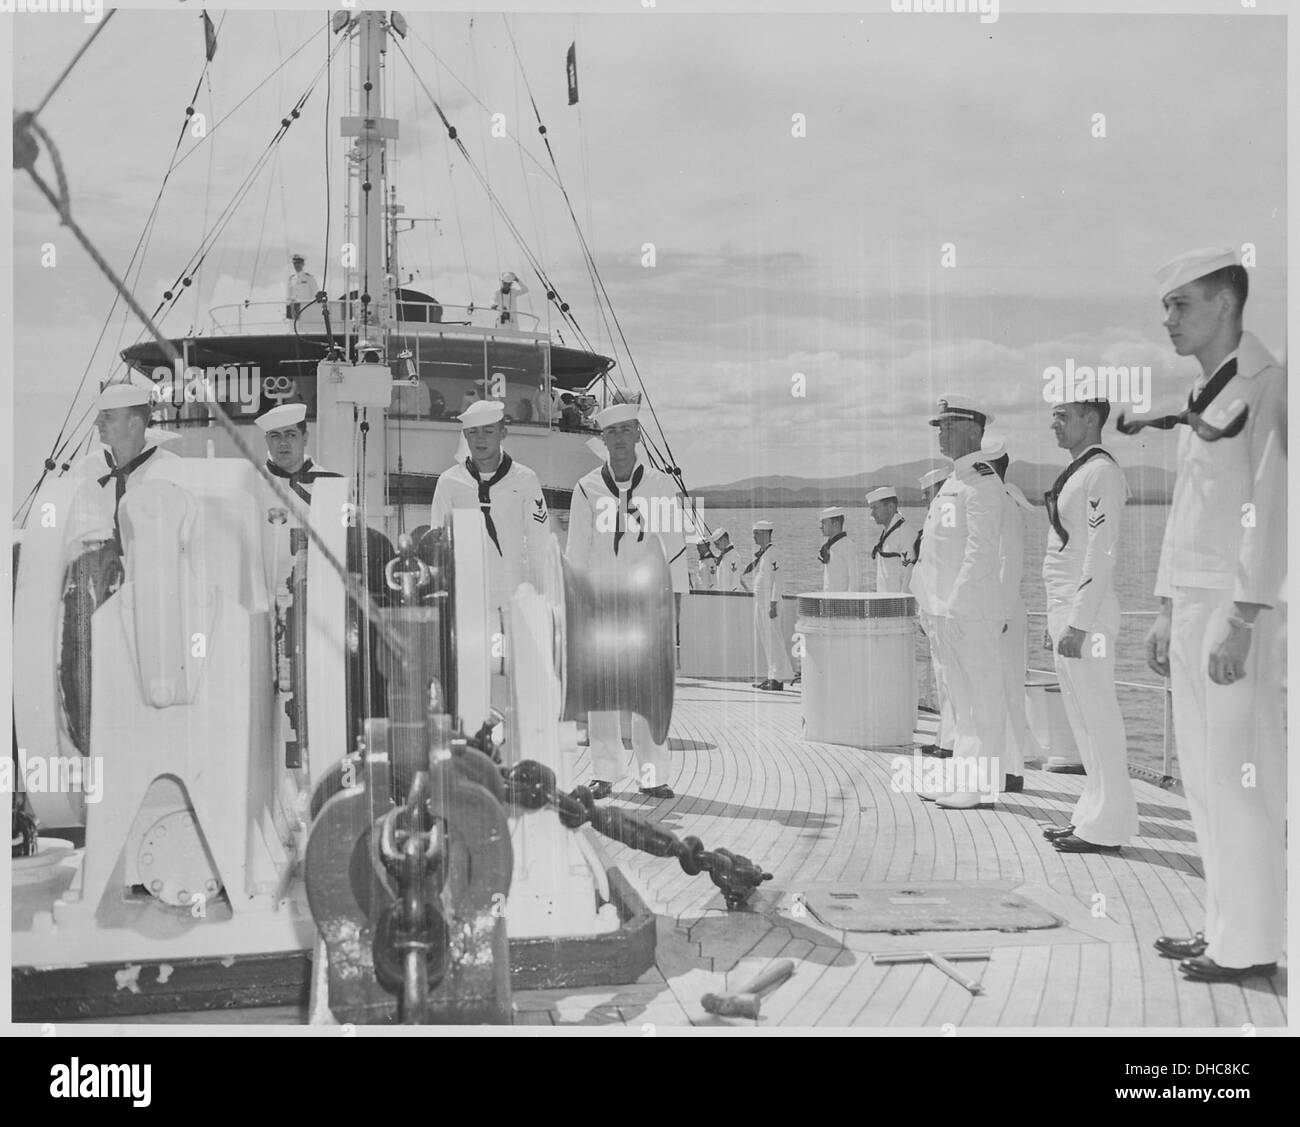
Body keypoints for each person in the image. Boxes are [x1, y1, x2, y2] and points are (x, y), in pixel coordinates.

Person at [1137, 248, 1286, 983]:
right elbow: (1188, 515)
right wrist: (1167, 609)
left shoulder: (1267, 385)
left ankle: (1254, 943)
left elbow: (1273, 507)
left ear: (1226, 302)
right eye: (1166, 306)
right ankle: (1223, 926)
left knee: (1240, 777)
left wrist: (1246, 617)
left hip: (1234, 607)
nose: (1168, 319)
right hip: (1196, 603)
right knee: (1202, 777)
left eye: (1182, 303)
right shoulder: (1208, 394)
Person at [566, 402, 688, 801]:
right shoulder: (586, 488)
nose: (618, 440)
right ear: (603, 439)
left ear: (637, 434)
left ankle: (652, 775)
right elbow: (576, 552)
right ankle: (604, 772)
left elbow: (674, 550)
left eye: (625, 431)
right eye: (611, 433)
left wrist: (673, 607)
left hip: (646, 604)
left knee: (647, 693)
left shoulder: (660, 486)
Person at [60, 383, 182, 754]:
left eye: (107, 417)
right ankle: (90, 744)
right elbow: (71, 537)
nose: (97, 423)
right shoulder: (85, 471)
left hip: (154, 593)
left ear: (134, 424)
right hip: (94, 594)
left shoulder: (171, 471)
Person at [1040, 400, 1138, 855]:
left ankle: (1110, 826)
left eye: (1064, 415)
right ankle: (1091, 817)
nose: (1054, 423)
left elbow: (1101, 552)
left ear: (1091, 419)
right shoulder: (1079, 471)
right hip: (1070, 611)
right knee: (1083, 721)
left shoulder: (1100, 473)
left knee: (1099, 719)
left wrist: (1077, 623)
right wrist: (1057, 620)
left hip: (1089, 616)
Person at [908, 394, 1006, 809]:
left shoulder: (982, 482)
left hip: (966, 611)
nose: (942, 433)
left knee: (980, 697)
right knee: (958, 699)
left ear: (974, 429)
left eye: (949, 425)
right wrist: (927, 602)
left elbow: (981, 553)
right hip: (943, 610)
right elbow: (937, 551)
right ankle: (963, 780)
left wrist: (957, 606)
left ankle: (980, 785)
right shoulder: (954, 480)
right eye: (940, 426)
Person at [430, 398, 553, 620]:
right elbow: (439, 545)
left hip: (516, 599)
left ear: (503, 433)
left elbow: (539, 542)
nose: (480, 439)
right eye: (473, 432)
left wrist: (541, 597)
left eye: (488, 431)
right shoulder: (449, 483)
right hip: (468, 600)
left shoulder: (525, 480)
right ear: (465, 436)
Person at [982, 435, 1033, 792]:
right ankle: (1003, 768)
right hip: (993, 608)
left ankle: (1010, 770)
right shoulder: (993, 502)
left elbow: (1008, 562)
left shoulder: (1004, 505)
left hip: (1003, 611)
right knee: (994, 690)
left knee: (1007, 689)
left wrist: (997, 615)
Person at [913, 464, 954, 759]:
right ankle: (945, 738)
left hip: (946, 610)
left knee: (950, 680)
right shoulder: (934, 519)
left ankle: (950, 742)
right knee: (943, 680)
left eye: (929, 493)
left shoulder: (947, 517)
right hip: (933, 609)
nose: (928, 500)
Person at [746, 520, 794, 691]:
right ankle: (772, 676)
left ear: (766, 534)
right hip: (761, 601)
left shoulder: (774, 553)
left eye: (756, 534)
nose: (754, 537)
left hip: (769, 602)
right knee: (767, 641)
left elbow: (778, 581)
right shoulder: (764, 554)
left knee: (774, 641)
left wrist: (773, 604)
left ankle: (779, 679)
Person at [865, 486, 912, 592]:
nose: (872, 514)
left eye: (875, 508)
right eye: (871, 509)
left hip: (897, 605)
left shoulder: (905, 533)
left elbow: (908, 574)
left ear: (891, 507)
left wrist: (901, 605)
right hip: (885, 602)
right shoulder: (888, 533)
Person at [817, 506, 861, 591]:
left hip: (842, 602)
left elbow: (855, 580)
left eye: (824, 523)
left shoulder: (848, 546)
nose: (821, 527)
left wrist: (851, 602)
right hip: (829, 600)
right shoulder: (830, 546)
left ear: (836, 524)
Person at [285, 254, 319, 320]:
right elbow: (288, 297)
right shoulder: (291, 279)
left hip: (306, 308)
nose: (296, 265)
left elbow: (316, 294)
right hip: (294, 309)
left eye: (298, 263)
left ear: (303, 264)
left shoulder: (309, 278)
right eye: (295, 263)